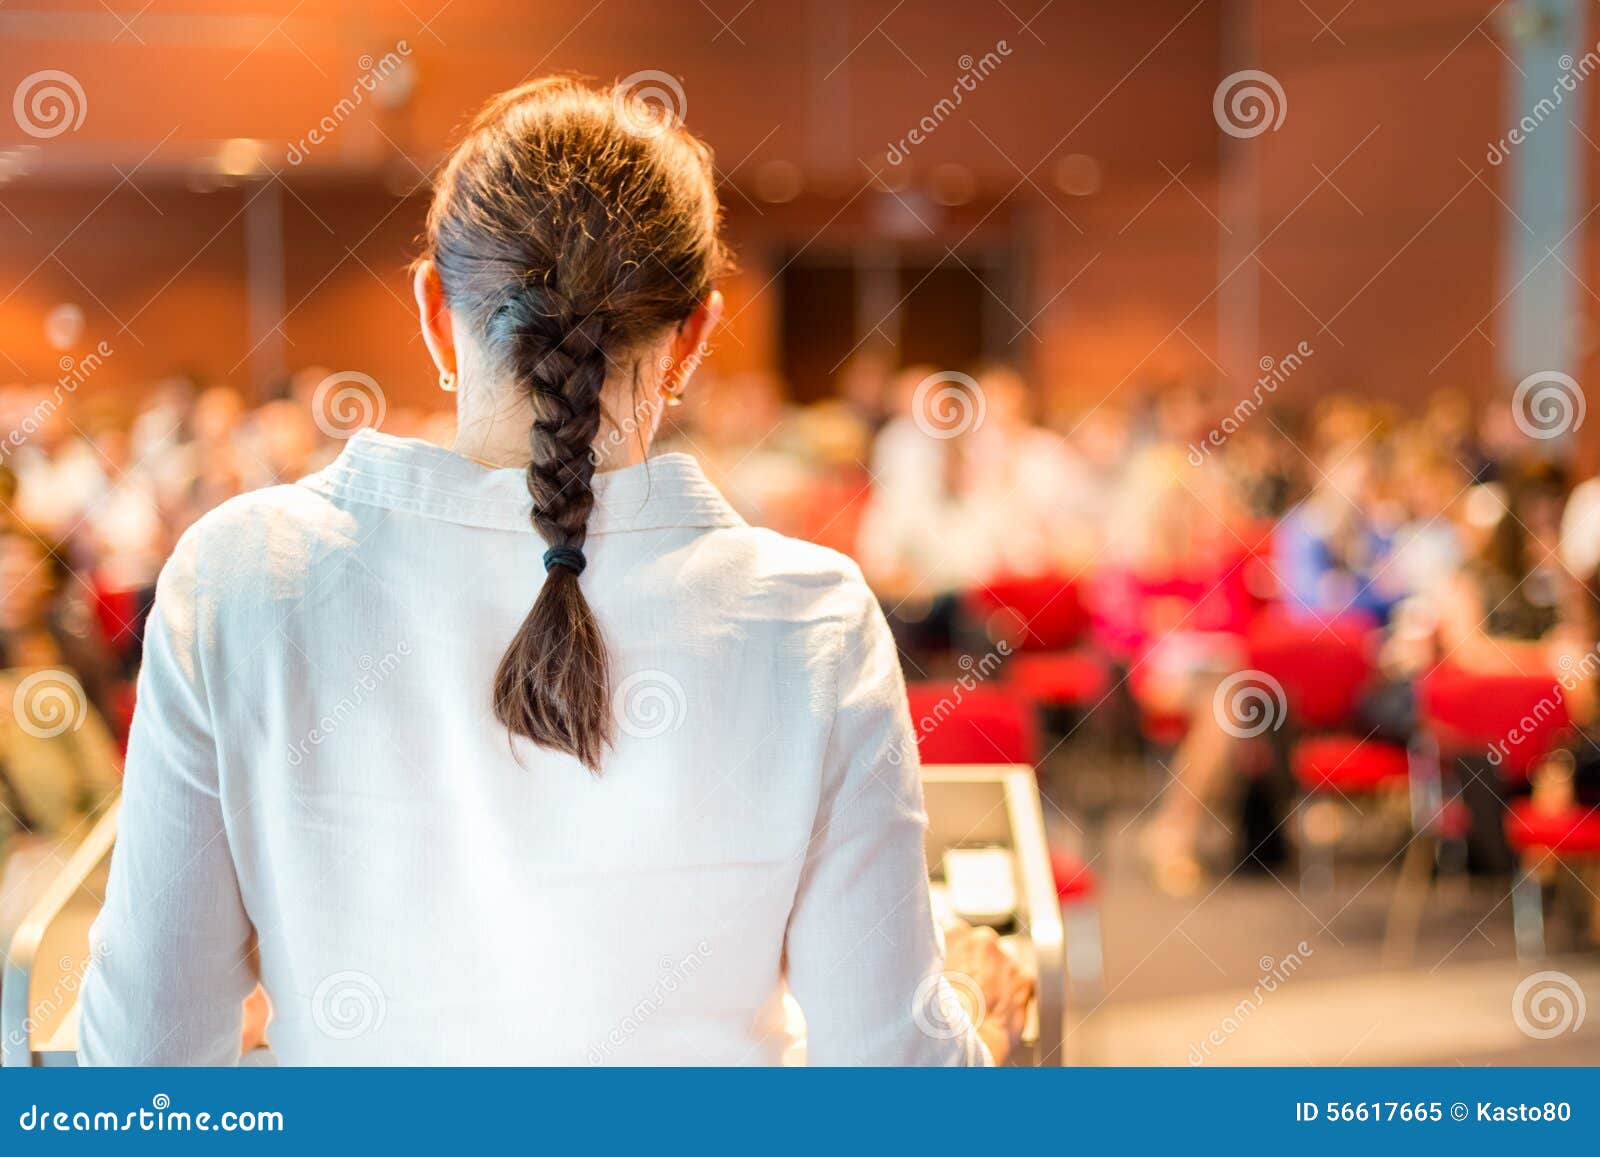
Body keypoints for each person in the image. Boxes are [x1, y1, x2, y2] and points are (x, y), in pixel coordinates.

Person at [79, 78, 1026, 1066]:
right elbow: (894, 1080)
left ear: (434, 311)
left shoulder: (237, 577)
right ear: (692, 338)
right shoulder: (812, 619)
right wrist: (968, 997)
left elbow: (143, 1061)